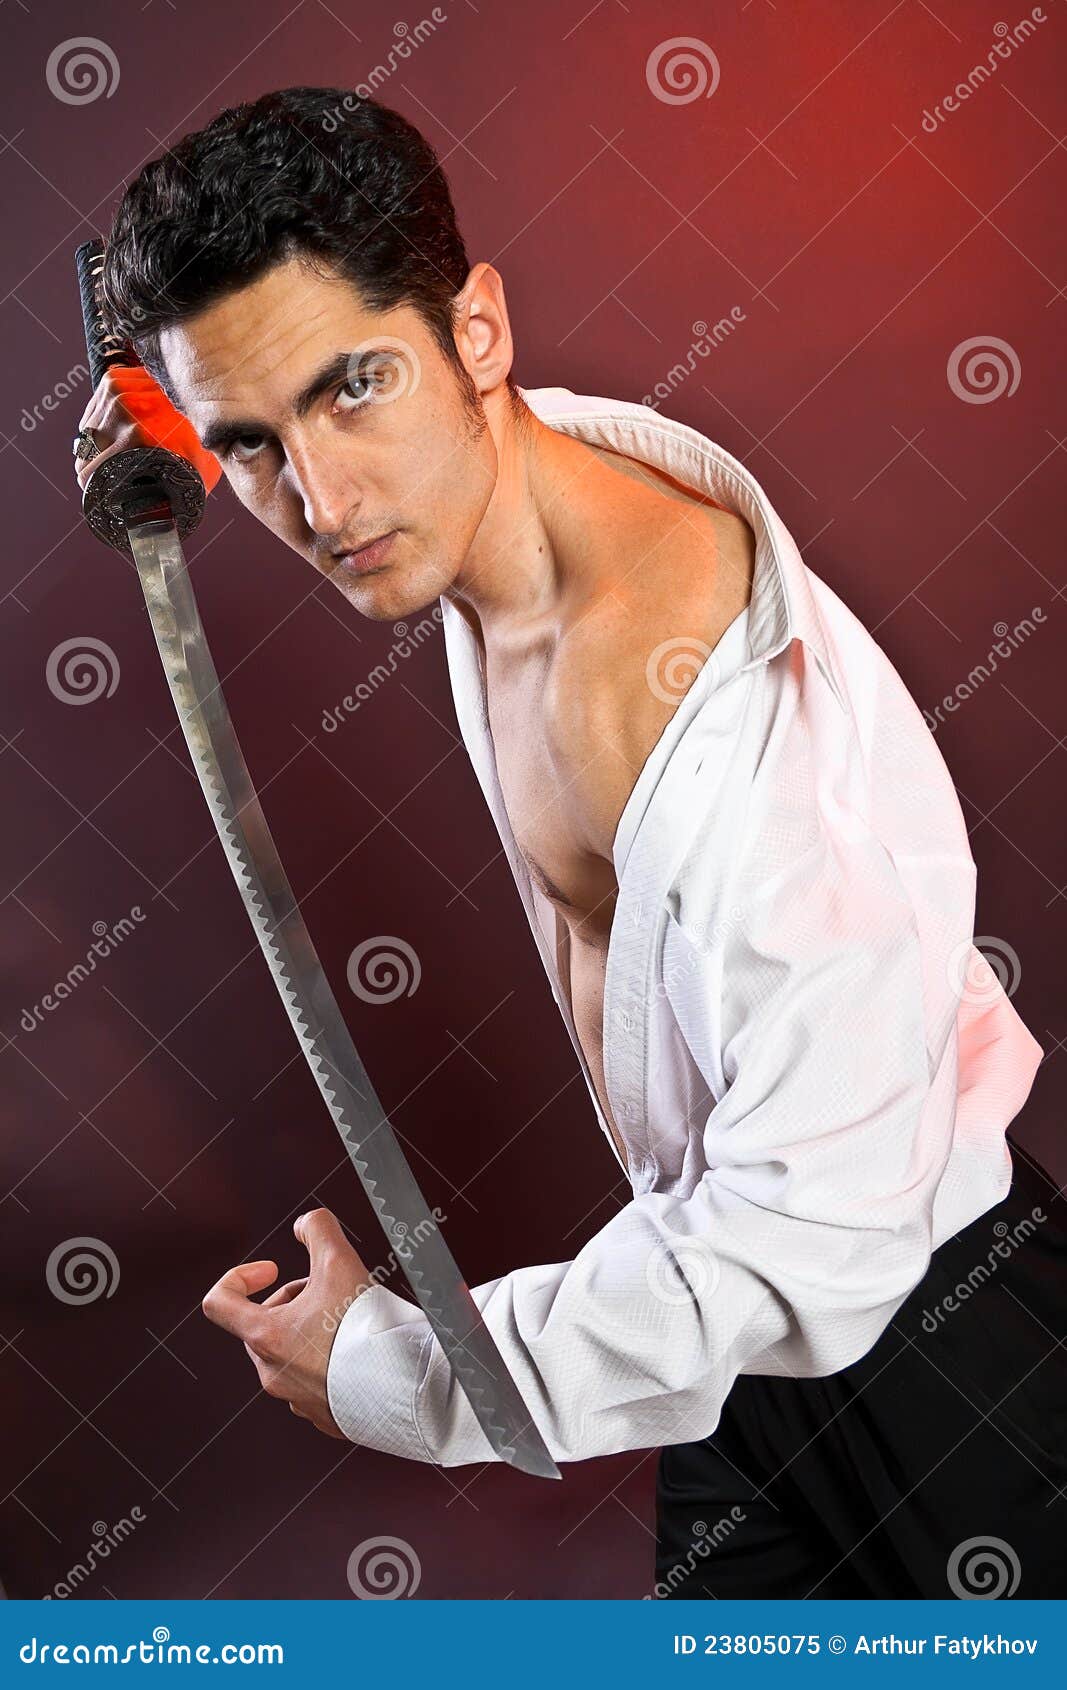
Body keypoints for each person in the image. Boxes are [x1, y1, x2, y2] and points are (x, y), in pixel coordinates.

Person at [75, 86, 1063, 1598]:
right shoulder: (499, 503)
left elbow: (812, 1231)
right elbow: (282, 404)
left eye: (354, 387)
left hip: (928, 1341)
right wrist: (156, 440)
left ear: (479, 332)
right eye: (253, 444)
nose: (324, 502)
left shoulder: (721, 734)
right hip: (725, 1339)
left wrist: (408, 1374)